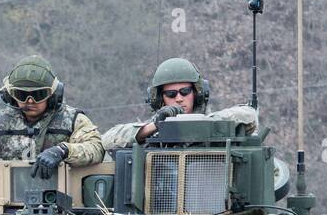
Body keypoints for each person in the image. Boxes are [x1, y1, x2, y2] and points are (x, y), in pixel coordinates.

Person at [0, 55, 103, 178]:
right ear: (10, 96)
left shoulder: (73, 120)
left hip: (60, 203)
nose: (30, 101)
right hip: (6, 205)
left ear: (53, 95)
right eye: (22, 95)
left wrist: (62, 151)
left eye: (38, 95)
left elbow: (96, 148)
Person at [101, 58, 259, 151]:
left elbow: (249, 116)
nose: (178, 98)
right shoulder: (153, 133)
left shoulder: (216, 127)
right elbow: (106, 140)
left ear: (196, 94)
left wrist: (199, 124)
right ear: (159, 99)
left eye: (184, 91)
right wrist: (155, 126)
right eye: (171, 94)